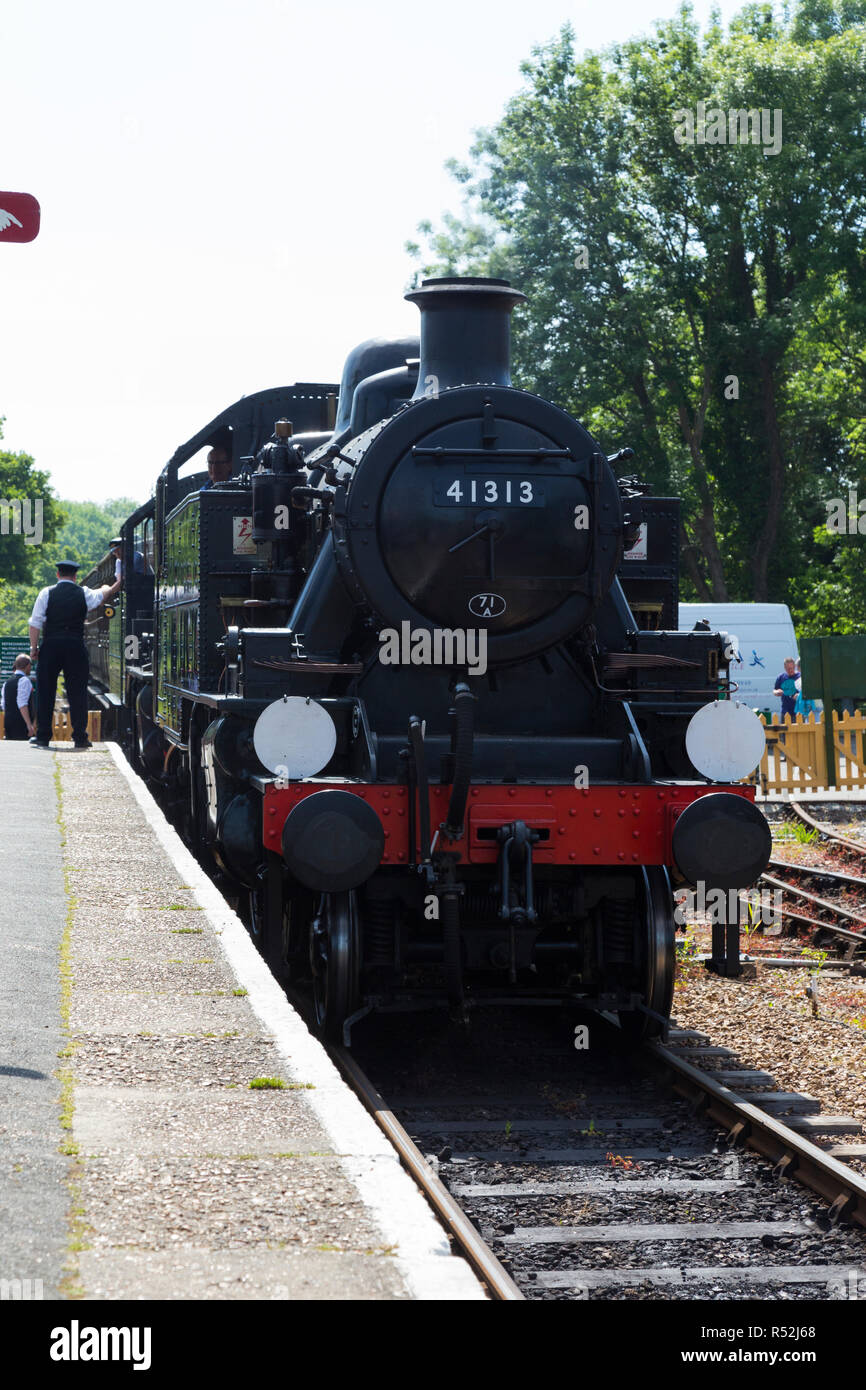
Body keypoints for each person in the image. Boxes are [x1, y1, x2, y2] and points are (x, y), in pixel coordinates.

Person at [28, 560, 121, 749]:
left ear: (58, 575)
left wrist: (34, 648)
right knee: (77, 692)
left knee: (46, 691)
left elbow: (35, 623)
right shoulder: (83, 593)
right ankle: (79, 737)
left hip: (51, 644)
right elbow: (103, 595)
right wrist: (111, 585)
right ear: (75, 576)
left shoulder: (46, 593)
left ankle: (43, 736)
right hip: (75, 645)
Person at [1, 654, 36, 740]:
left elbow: (4, 705)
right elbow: (22, 704)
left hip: (8, 723)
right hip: (21, 724)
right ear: (28, 665)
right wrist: (29, 724)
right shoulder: (25, 680)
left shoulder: (6, 682)